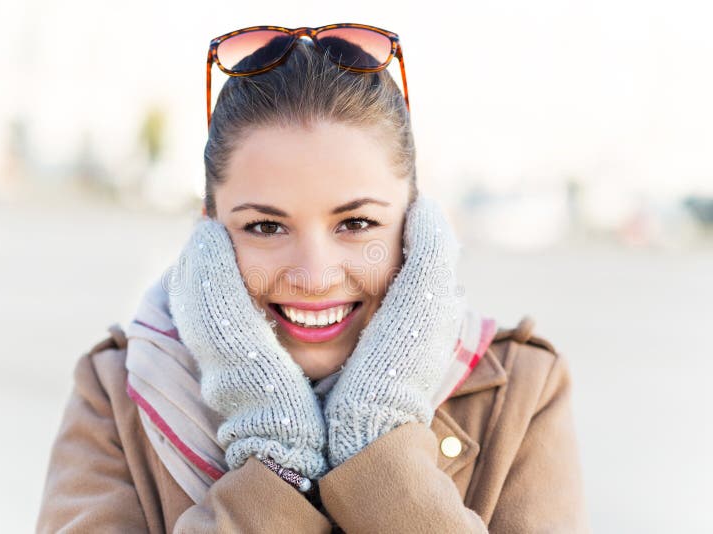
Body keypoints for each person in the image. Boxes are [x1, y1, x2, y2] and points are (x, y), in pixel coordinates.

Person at [36, 24, 590, 533]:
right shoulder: (117, 390)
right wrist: (275, 458)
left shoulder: (522, 391)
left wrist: (379, 442)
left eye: (356, 223)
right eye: (265, 226)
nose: (314, 275)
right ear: (209, 234)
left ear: (415, 225)